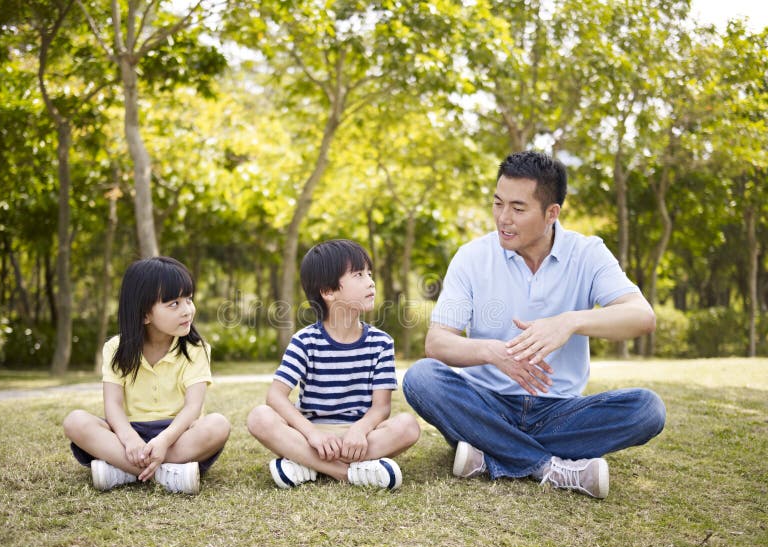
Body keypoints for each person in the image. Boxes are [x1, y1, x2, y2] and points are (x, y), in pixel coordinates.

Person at [402, 151, 666, 499]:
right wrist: (492, 353)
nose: (503, 218)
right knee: (421, 378)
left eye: (518, 208)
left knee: (648, 409)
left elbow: (642, 316)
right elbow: (437, 343)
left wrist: (569, 322)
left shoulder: (588, 253)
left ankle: (491, 453)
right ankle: (548, 467)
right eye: (498, 203)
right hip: (486, 405)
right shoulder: (472, 256)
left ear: (551, 213)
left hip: (559, 411)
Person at [247, 239, 420, 490]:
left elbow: (381, 409)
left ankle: (306, 464)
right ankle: (348, 473)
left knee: (408, 426)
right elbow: (275, 396)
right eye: (359, 275)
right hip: (312, 434)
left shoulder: (381, 343)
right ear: (328, 291)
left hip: (359, 437)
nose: (371, 282)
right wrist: (312, 434)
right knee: (259, 417)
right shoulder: (305, 341)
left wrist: (360, 431)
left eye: (370, 274)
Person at [63, 256, 231, 494]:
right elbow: (113, 405)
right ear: (144, 314)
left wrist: (163, 441)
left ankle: (124, 470)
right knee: (75, 421)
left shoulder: (197, 349)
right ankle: (166, 473)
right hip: (128, 434)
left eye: (189, 300)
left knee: (218, 425)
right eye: (174, 303)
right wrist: (130, 439)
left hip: (178, 435)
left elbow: (193, 408)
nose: (187, 311)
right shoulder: (115, 348)